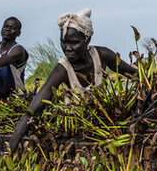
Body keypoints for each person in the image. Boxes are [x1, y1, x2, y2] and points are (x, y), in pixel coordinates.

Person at [8, 8, 137, 150]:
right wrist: (12, 144)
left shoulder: (103, 55)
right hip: (78, 129)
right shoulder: (62, 69)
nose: (67, 48)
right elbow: (36, 106)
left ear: (87, 39)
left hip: (105, 122)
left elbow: (132, 73)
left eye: (74, 43)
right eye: (64, 42)